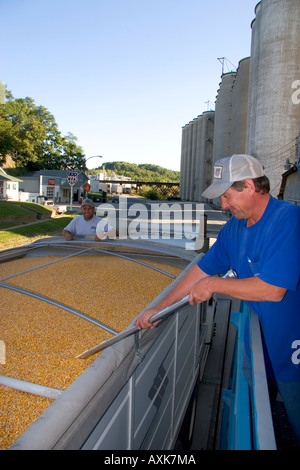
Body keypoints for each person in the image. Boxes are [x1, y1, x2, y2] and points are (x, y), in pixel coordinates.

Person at [135, 154, 300, 444]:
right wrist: (158, 307)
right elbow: (199, 272)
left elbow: (273, 290)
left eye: (226, 195)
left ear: (249, 186)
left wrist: (215, 285)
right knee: (260, 416)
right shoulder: (234, 228)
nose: (223, 206)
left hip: (292, 353)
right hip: (257, 346)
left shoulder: (288, 219)